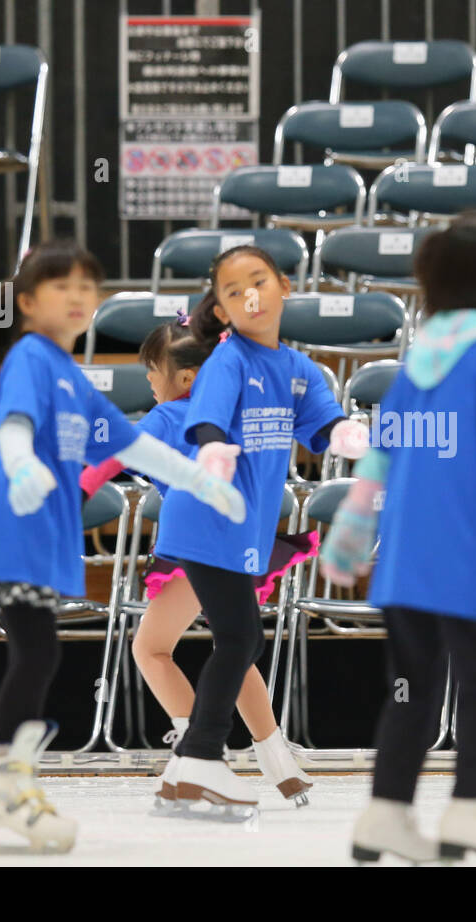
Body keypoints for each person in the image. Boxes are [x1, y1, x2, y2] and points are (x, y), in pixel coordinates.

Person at [0, 240, 245, 851]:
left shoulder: (68, 372)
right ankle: (0, 793)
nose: (77, 298)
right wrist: (18, 465)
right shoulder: (31, 357)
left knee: (38, 655)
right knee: (36, 654)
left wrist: (198, 479)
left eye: (87, 288)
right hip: (11, 516)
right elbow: (14, 423)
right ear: (30, 302)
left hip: (47, 527)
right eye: (62, 287)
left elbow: (130, 447)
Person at [322, 214, 476, 864]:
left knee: (413, 689)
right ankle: (472, 809)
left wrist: (350, 526)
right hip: (461, 553)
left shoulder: (417, 359)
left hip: (402, 559)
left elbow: (377, 460)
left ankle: (385, 814)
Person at [152, 244, 367, 821]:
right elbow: (207, 419)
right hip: (205, 518)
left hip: (243, 527)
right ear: (221, 311)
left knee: (239, 639)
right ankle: (200, 754)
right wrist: (213, 446)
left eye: (259, 280)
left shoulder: (298, 369)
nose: (249, 293)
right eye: (232, 289)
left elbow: (323, 425)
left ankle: (183, 773)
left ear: (283, 288)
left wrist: (348, 436)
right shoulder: (230, 360)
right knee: (240, 639)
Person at [79, 314, 315, 805]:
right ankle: (272, 758)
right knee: (237, 644)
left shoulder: (171, 415)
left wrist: (78, 488)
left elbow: (113, 453)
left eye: (152, 370)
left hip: (198, 541)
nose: (147, 379)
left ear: (186, 378)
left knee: (161, 648)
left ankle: (197, 753)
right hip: (235, 539)